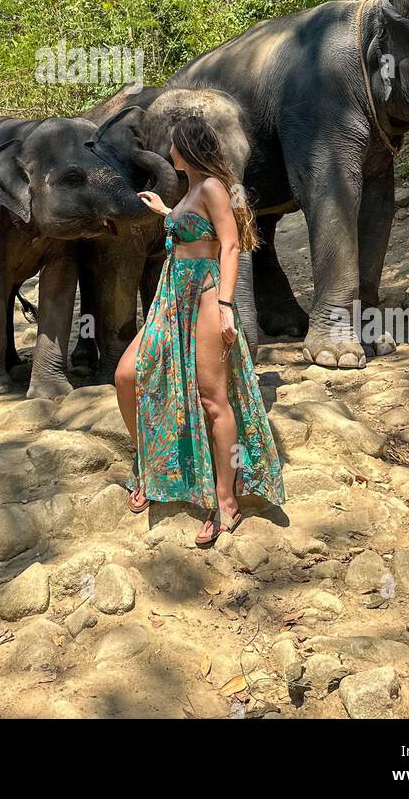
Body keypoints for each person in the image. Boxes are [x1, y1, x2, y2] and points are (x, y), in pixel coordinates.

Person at [114, 114, 284, 546]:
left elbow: (228, 244)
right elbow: (195, 231)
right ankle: (152, 464)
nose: (168, 152)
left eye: (173, 145)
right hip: (172, 295)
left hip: (205, 295)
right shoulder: (192, 190)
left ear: (185, 148)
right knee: (128, 375)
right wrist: (166, 212)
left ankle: (225, 500)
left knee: (213, 399)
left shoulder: (211, 186)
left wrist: (226, 304)